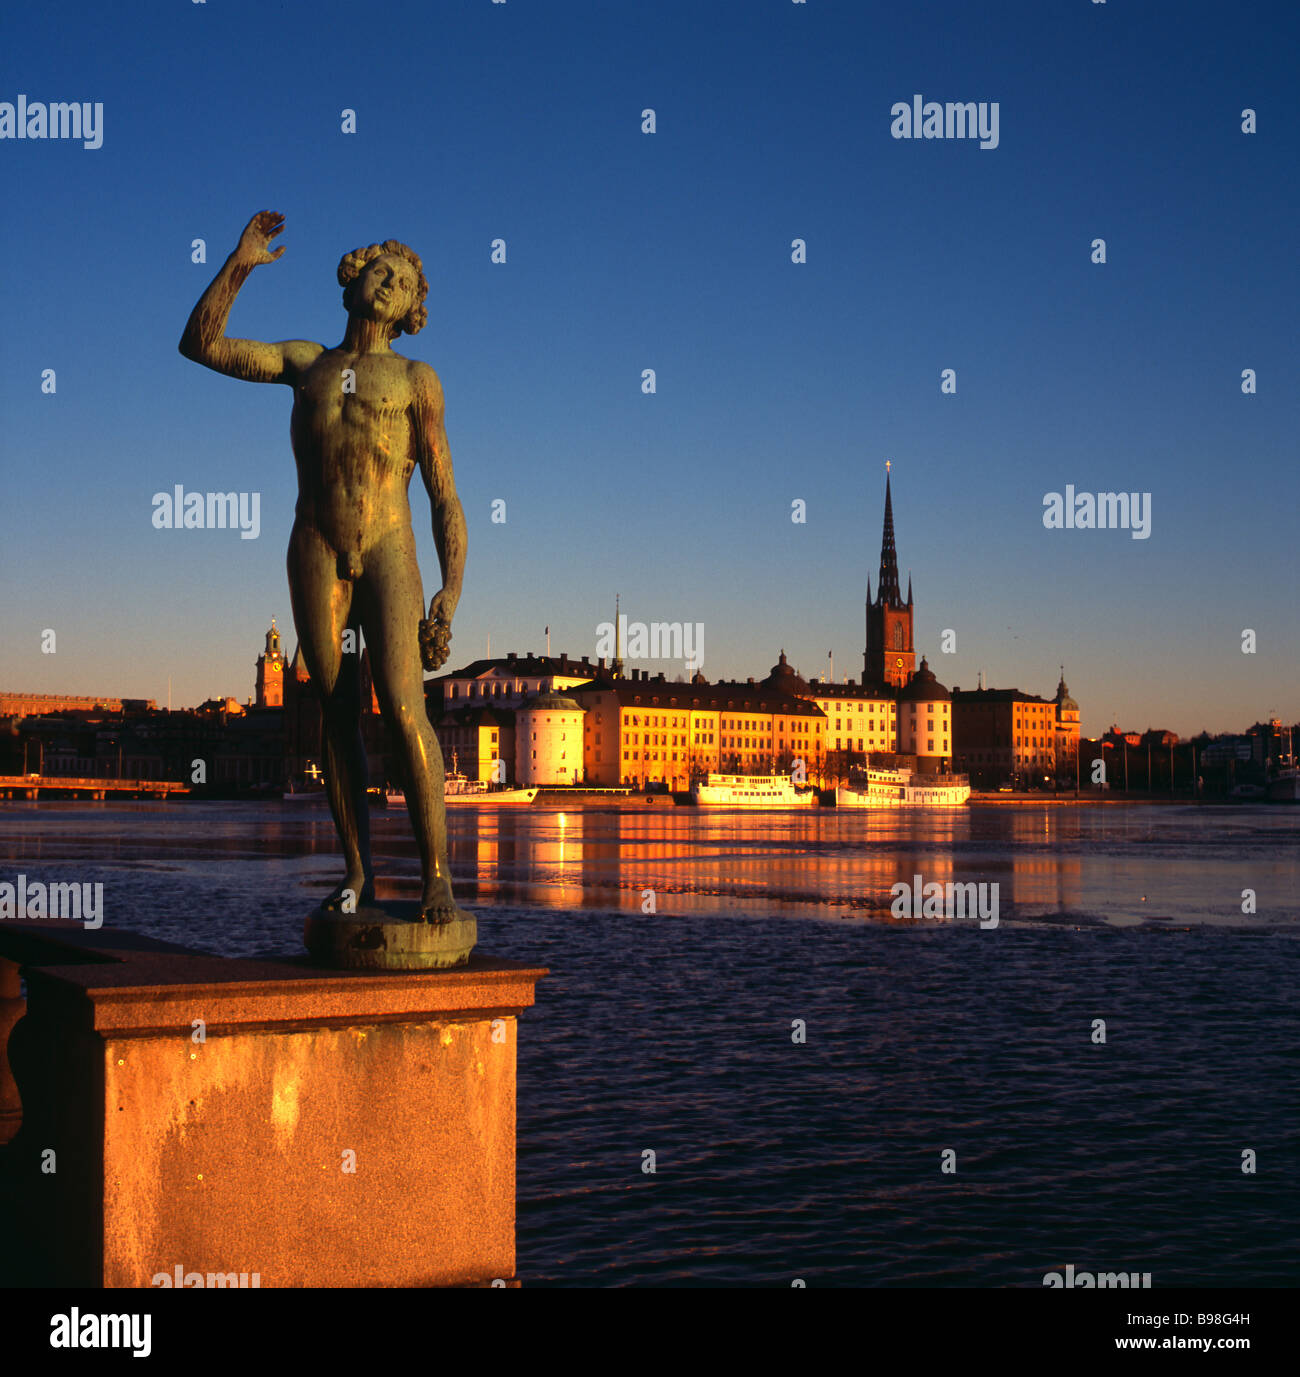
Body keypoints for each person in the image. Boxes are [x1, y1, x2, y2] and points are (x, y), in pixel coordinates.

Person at [180, 211, 467, 921]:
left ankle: (436, 877)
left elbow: (445, 495)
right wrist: (241, 262)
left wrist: (450, 591)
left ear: (408, 311)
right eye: (381, 269)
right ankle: (359, 875)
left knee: (403, 707)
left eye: (401, 282)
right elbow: (200, 345)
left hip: (390, 547)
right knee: (335, 715)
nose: (388, 282)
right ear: (353, 278)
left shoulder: (415, 379)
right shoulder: (306, 364)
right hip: (314, 544)